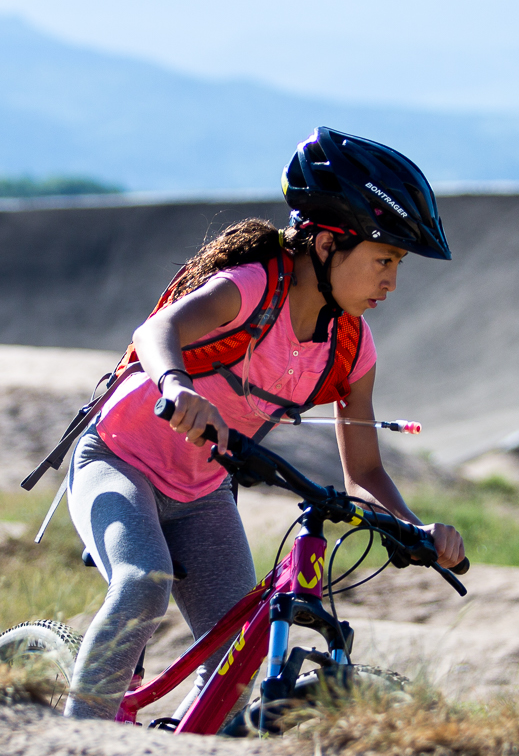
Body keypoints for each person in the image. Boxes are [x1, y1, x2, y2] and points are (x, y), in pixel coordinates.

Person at [61, 128, 465, 721]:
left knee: (237, 655)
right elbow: (156, 333)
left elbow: (366, 470)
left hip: (201, 495)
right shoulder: (255, 288)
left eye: (397, 265)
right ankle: (74, 747)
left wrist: (416, 529)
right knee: (143, 584)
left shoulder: (351, 347)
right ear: (328, 244)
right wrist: (177, 387)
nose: (391, 282)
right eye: (384, 260)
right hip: (117, 460)